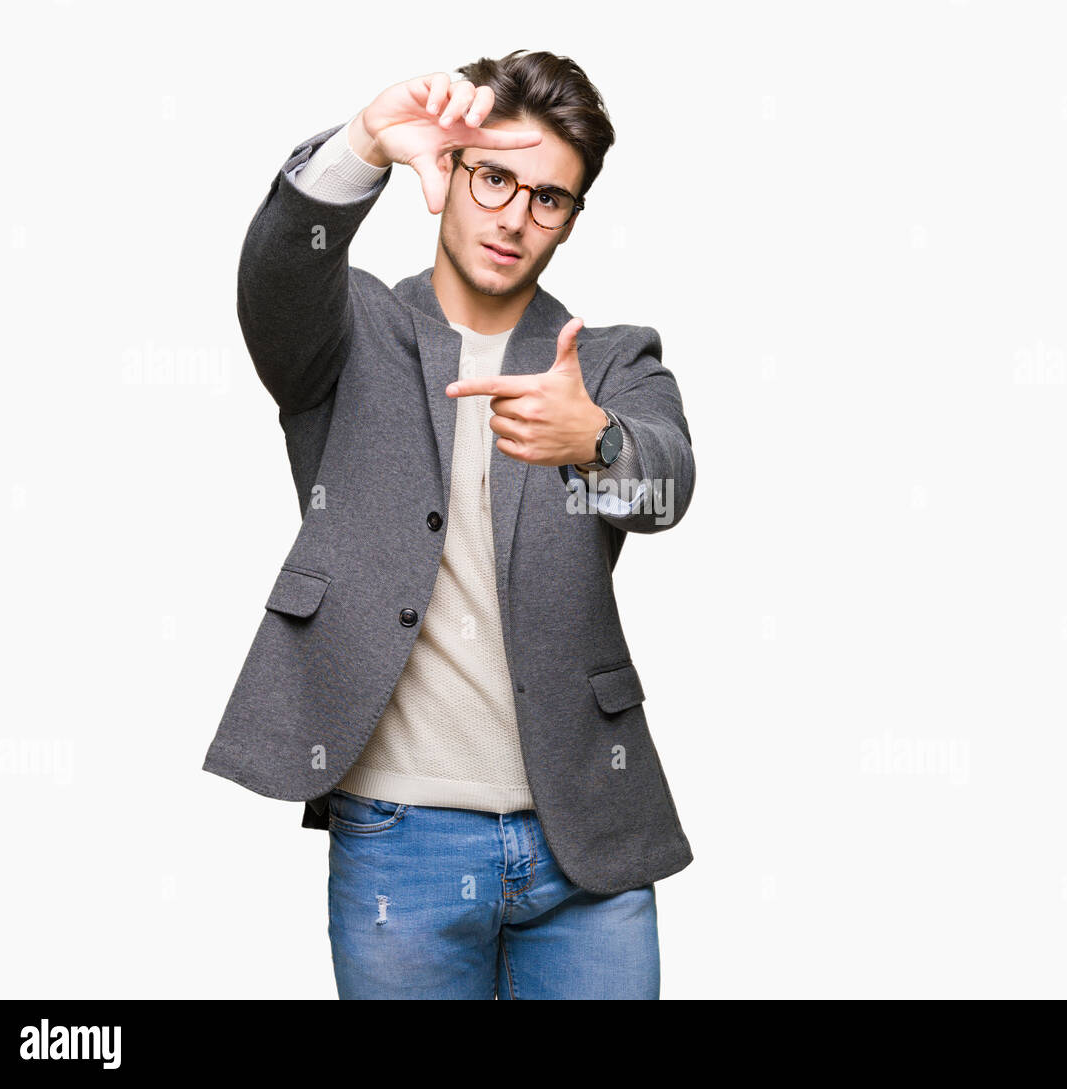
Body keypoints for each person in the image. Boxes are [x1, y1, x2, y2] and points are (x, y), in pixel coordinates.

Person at [202, 50, 697, 999]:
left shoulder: (604, 361)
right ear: (457, 170)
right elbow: (272, 277)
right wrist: (361, 147)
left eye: (548, 198)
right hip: (402, 838)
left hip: (586, 841)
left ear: (572, 219)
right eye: (496, 176)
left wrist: (595, 441)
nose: (514, 214)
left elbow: (665, 493)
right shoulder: (347, 331)